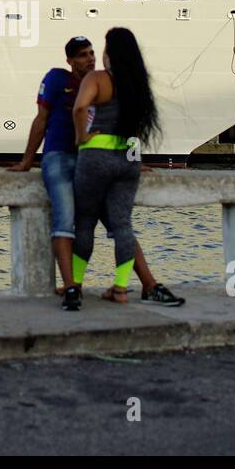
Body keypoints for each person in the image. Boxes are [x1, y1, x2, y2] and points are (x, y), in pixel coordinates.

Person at [8, 36, 184, 310]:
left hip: (91, 163)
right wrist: (27, 161)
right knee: (67, 219)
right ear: (69, 60)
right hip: (60, 156)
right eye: (81, 55)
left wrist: (135, 158)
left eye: (91, 53)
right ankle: (73, 288)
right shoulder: (58, 79)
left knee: (115, 223)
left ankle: (147, 284)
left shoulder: (102, 82)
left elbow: (125, 125)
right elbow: (41, 120)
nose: (88, 58)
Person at [67, 28, 163, 311]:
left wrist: (81, 138)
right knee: (122, 225)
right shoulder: (137, 85)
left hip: (96, 158)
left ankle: (76, 284)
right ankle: (121, 288)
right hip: (127, 160)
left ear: (110, 52)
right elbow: (136, 131)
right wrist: (135, 161)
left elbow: (79, 109)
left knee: (85, 222)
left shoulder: (98, 79)